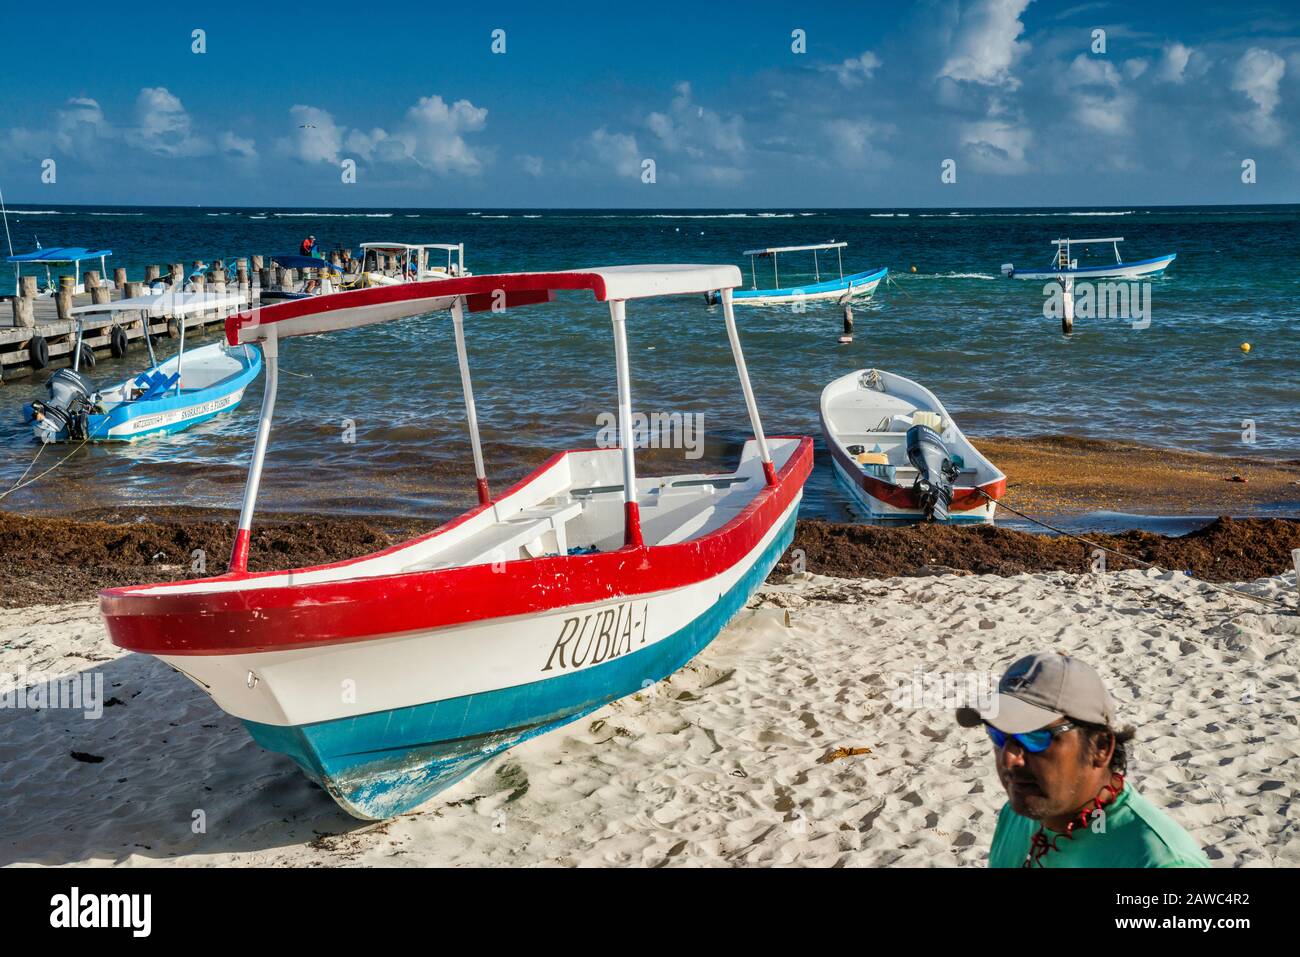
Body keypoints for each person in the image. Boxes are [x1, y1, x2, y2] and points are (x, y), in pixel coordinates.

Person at [957, 652, 1210, 868]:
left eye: (1034, 737)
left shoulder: (1158, 860)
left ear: (1100, 747)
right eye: (997, 735)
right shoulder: (1019, 813)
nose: (1009, 758)